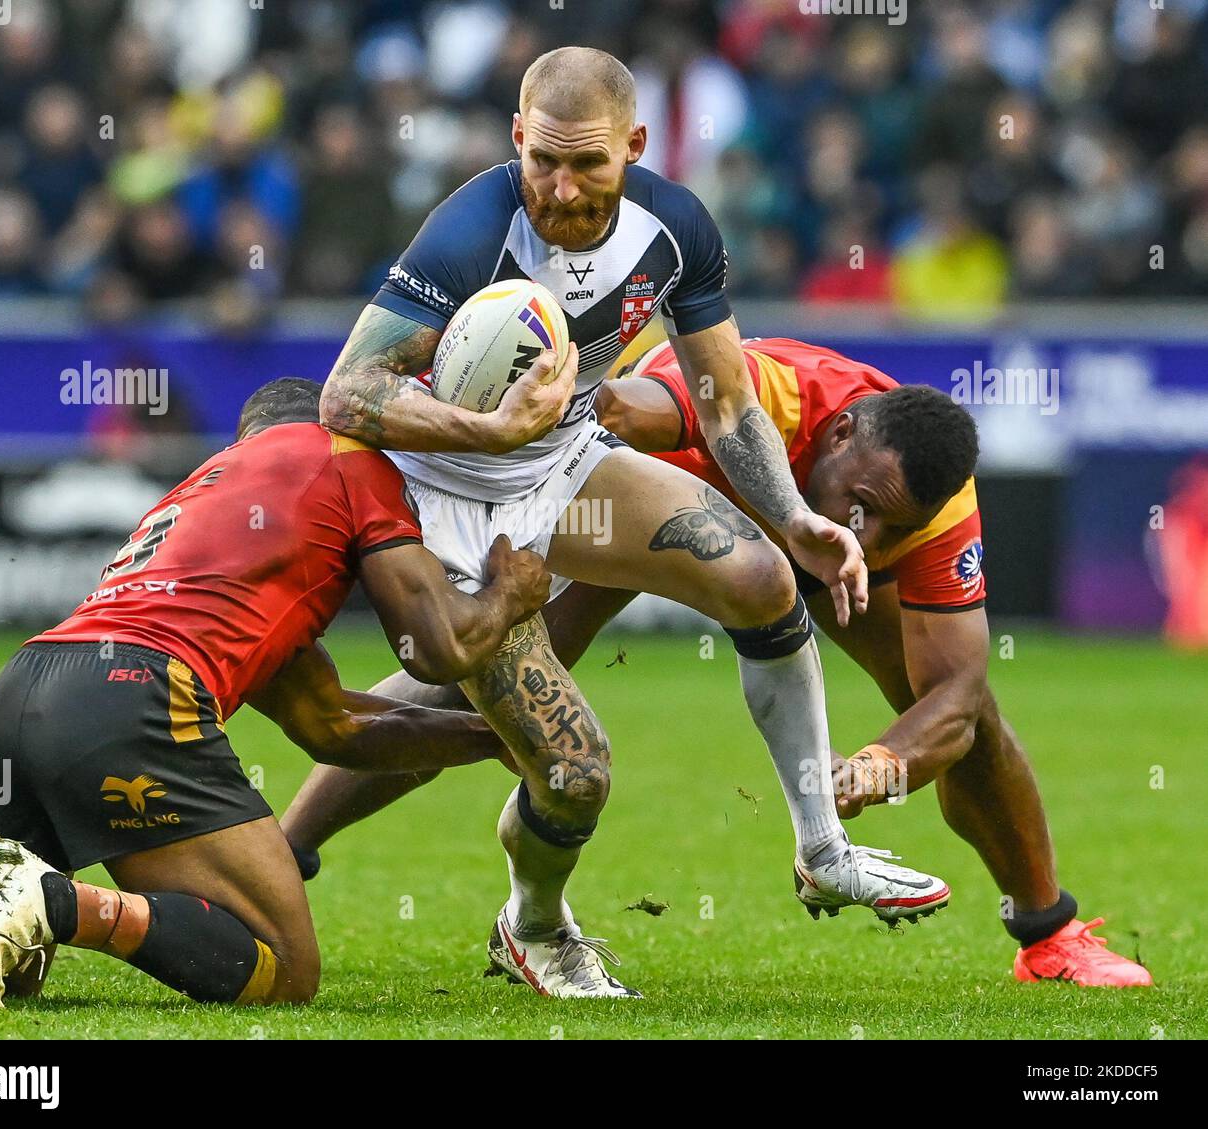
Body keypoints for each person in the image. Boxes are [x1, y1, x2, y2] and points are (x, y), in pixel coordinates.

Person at [309, 46, 947, 998]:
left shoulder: (676, 228)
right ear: (517, 139)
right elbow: (345, 394)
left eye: (589, 166)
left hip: (562, 467)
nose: (561, 190)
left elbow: (727, 406)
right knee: (571, 771)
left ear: (636, 146)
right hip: (445, 502)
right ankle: (531, 923)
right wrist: (485, 427)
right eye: (544, 162)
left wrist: (796, 522)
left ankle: (822, 844)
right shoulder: (471, 231)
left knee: (765, 581)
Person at [290, 337, 1152, 988]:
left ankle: (1048, 933)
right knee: (488, 672)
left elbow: (955, 697)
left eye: (891, 525)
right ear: (838, 430)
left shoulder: (923, 504)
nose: (871, 535)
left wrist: (874, 770)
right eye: (863, 505)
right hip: (643, 490)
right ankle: (284, 854)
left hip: (792, 556)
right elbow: (630, 406)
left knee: (970, 716)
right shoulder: (767, 393)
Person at [0, 378, 551, 1009]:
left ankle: (35, 901)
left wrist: (488, 740)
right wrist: (508, 596)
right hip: (129, 696)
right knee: (284, 968)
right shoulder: (349, 457)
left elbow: (333, 724)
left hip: (22, 690)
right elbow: (438, 650)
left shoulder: (206, 492)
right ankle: (61, 902)